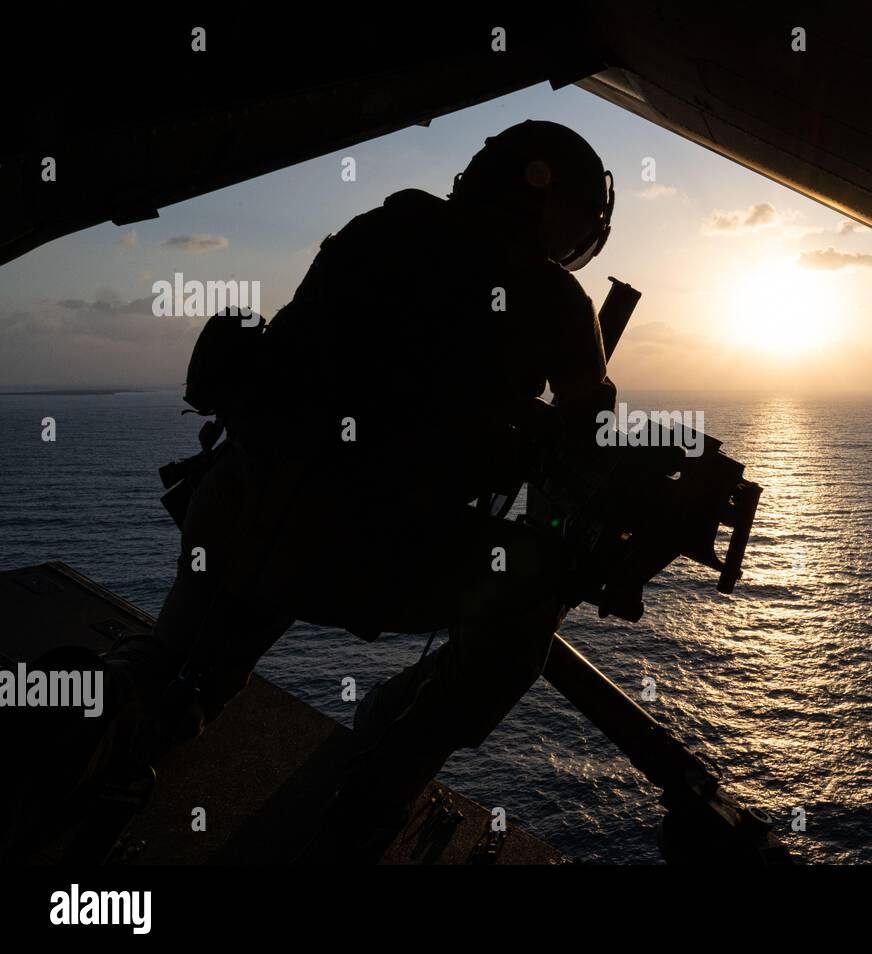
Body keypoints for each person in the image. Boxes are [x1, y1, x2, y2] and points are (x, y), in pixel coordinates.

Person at [10, 120, 618, 854]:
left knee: (181, 671)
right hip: (369, 553)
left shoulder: (376, 228)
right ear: (545, 199)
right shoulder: (555, 300)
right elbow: (589, 441)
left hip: (241, 509)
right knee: (526, 610)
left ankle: (90, 732)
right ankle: (373, 799)